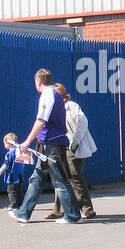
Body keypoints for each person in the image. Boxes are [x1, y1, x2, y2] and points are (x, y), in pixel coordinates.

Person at [10, 68, 81, 224]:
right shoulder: (54, 94)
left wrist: (27, 141)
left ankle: (73, 215)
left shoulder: (47, 96)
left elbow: (41, 120)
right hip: (48, 144)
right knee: (36, 179)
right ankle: (23, 213)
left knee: (60, 180)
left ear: (38, 81)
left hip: (52, 144)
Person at [47, 84, 98, 219]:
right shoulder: (52, 108)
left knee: (74, 177)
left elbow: (83, 122)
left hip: (72, 147)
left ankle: (87, 209)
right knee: (60, 177)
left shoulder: (71, 106)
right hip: (59, 146)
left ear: (60, 95)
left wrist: (75, 142)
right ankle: (59, 209)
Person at [0, 132, 33, 211]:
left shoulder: (10, 153)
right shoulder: (19, 150)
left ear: (8, 144)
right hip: (20, 174)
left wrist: (0, 171)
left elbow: (7, 163)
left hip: (12, 175)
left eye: (5, 143)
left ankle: (14, 205)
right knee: (18, 190)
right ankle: (21, 204)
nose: (4, 145)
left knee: (11, 190)